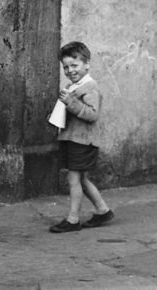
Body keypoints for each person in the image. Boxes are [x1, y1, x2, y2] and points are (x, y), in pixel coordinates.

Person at [49, 41, 114, 233]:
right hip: (73, 139)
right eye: (66, 67)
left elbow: (92, 115)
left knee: (73, 179)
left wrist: (71, 104)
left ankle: (73, 219)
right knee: (82, 179)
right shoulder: (73, 86)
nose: (70, 70)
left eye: (74, 65)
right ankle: (103, 210)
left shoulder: (90, 88)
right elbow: (72, 111)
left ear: (87, 64)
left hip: (83, 141)